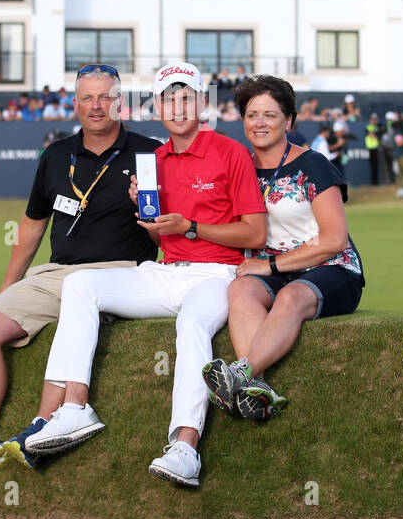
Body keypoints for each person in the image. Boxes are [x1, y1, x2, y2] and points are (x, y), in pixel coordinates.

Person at [21, 62, 267, 489]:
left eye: (187, 97)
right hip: (166, 271)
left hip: (218, 274)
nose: (178, 106)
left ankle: (184, 448)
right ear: (158, 107)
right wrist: (147, 215)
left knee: (192, 324)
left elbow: (255, 231)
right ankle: (75, 408)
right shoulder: (152, 160)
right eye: (169, 99)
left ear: (203, 103)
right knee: (79, 284)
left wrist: (188, 227)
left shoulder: (231, 152)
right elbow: (154, 229)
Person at [0, 64, 160, 495]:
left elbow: (167, 229)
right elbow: (32, 227)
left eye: (105, 97)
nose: (96, 106)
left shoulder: (149, 152)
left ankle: (43, 427)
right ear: (74, 103)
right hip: (55, 274)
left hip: (120, 273)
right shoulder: (56, 154)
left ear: (120, 102)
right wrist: (7, 289)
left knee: (78, 291)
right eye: (87, 98)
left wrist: (148, 214)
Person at [206, 74, 364, 421]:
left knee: (292, 296)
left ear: (289, 120)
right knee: (241, 289)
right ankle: (257, 391)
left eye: (270, 115)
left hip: (330, 267)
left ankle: (241, 373)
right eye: (251, 115)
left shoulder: (313, 165)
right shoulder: (239, 166)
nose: (259, 123)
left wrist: (272, 267)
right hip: (271, 270)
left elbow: (334, 238)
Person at [364, 115, 382, 186]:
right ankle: (373, 182)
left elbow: (377, 134)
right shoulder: (368, 127)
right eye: (372, 119)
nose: (374, 121)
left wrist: (375, 134)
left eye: (375, 119)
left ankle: (376, 182)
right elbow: (370, 133)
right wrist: (373, 134)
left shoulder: (378, 127)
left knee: (376, 166)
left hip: (377, 148)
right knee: (373, 166)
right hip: (371, 149)